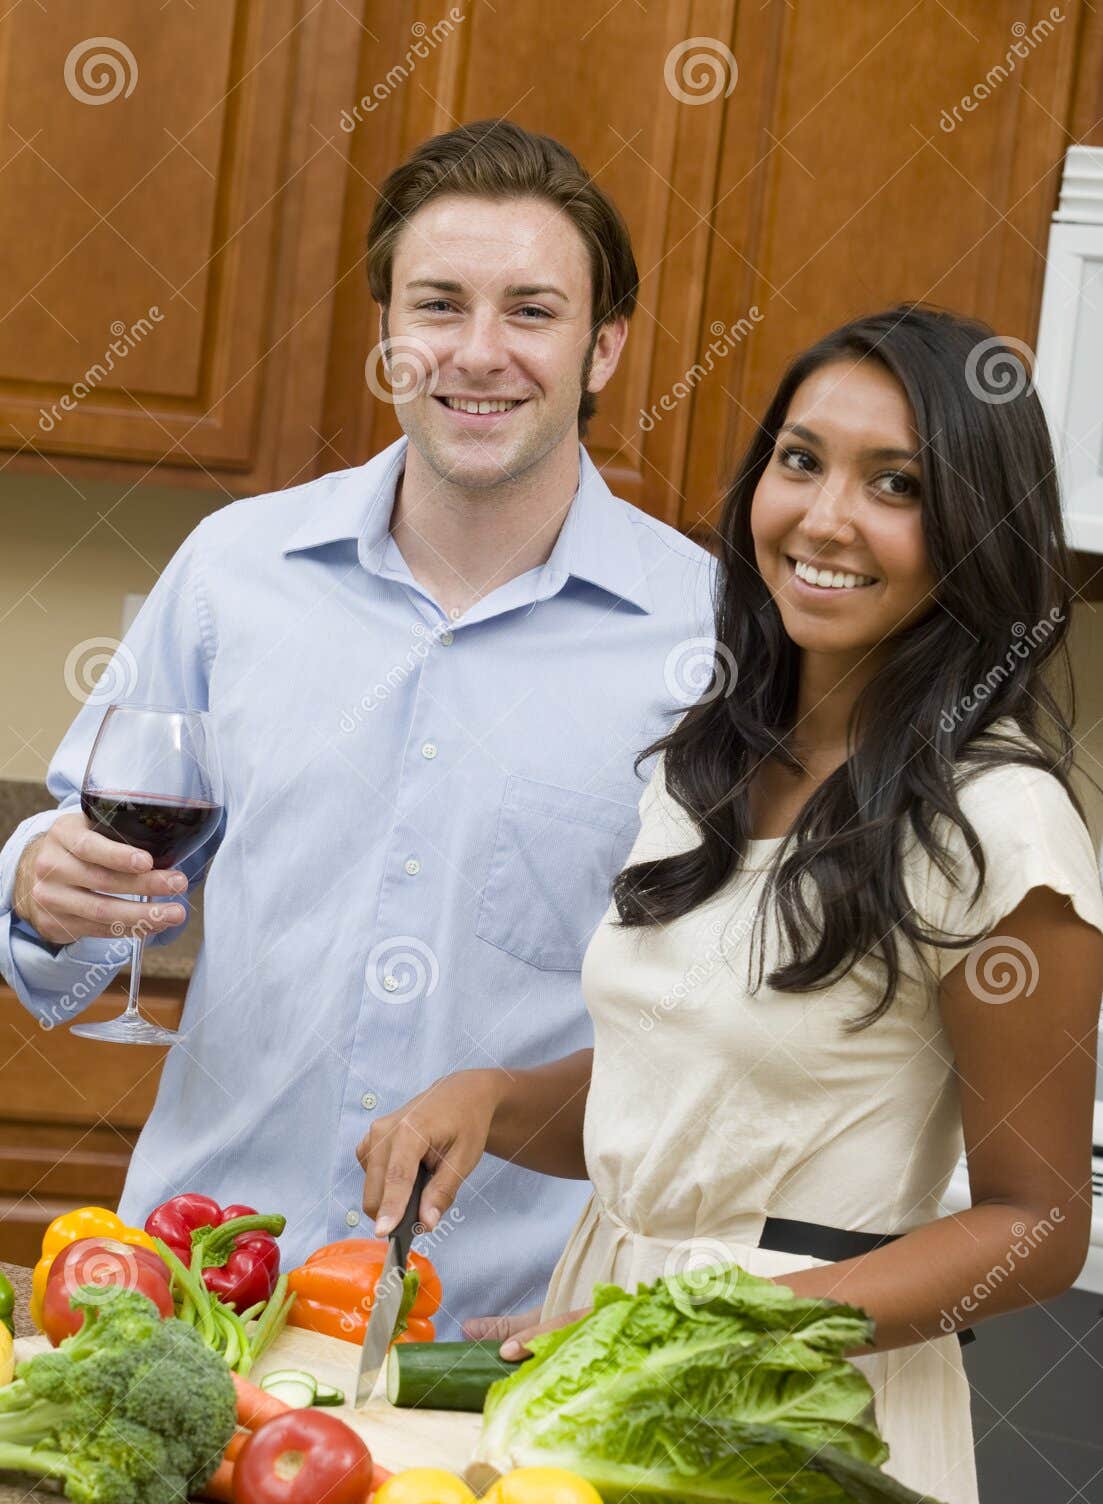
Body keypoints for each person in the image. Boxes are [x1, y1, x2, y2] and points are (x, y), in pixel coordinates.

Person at [360, 304, 1103, 1504]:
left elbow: (1035, 1224)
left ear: (975, 531)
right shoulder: (711, 761)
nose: (821, 517)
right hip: (598, 1366)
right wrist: (488, 1098)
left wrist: (722, 1326)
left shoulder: (1000, 828)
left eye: (897, 485)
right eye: (800, 459)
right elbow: (708, 1083)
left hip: (797, 1412)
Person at [0, 120, 713, 1336]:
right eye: (437, 305)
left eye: (530, 311)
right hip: (189, 1288)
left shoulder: (708, 639)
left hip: (492, 1336)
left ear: (603, 348)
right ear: (387, 334)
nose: (476, 353)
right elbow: (74, 910)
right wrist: (36, 886)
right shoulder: (235, 569)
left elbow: (712, 1030)